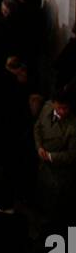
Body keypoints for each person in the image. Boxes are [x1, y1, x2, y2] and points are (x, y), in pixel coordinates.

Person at [33, 89, 76, 219]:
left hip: (58, 170)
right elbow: (38, 127)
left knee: (53, 200)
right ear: (53, 104)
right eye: (59, 108)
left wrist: (50, 156)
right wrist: (39, 146)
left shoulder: (73, 126)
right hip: (40, 160)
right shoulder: (46, 107)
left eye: (66, 108)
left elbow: (71, 155)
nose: (62, 112)